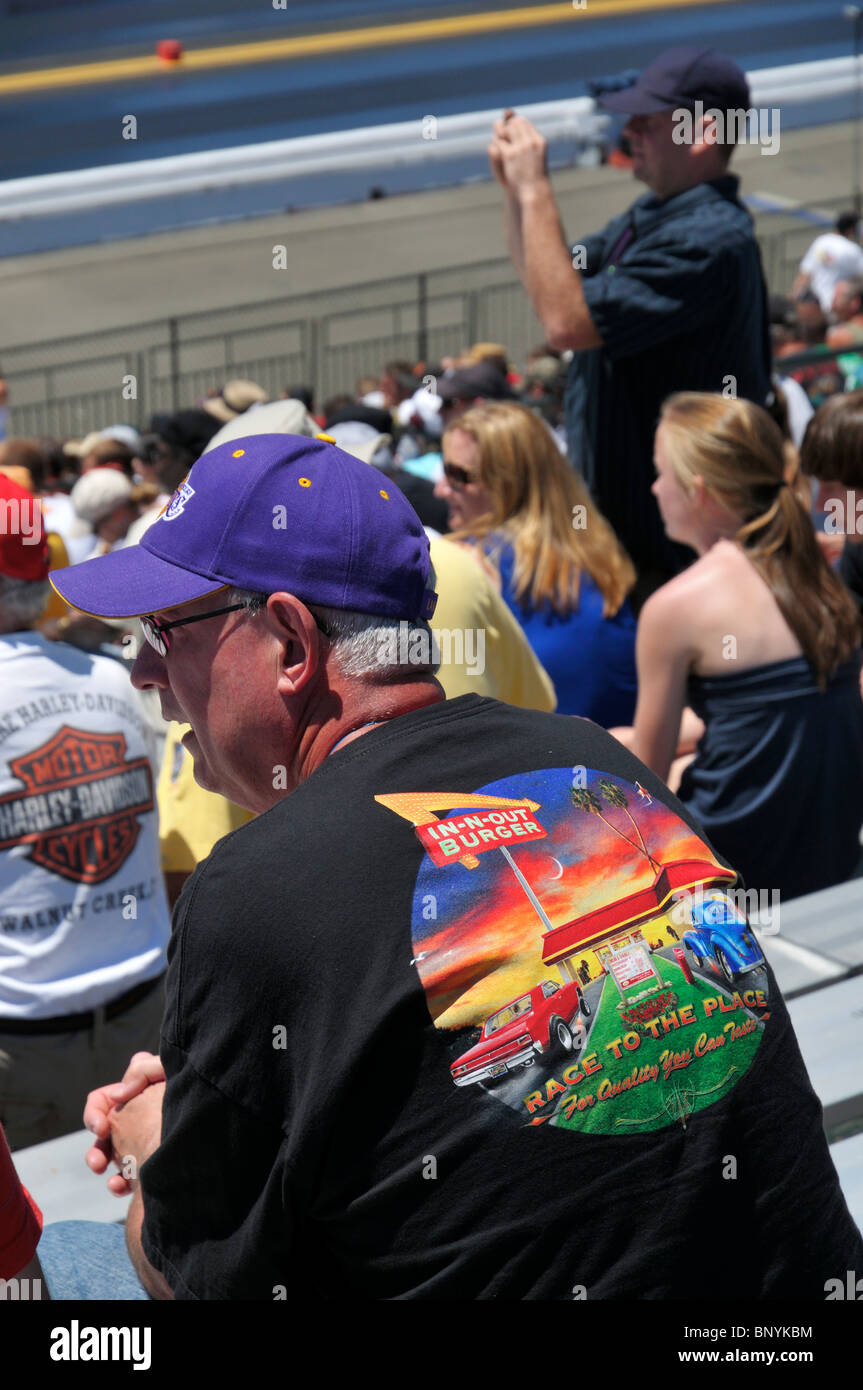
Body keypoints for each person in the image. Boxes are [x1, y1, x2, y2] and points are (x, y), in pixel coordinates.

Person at [46, 432, 863, 1300]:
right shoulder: (594, 761)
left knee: (65, 1254)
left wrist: (150, 1139)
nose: (142, 671)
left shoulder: (248, 891)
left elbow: (192, 1275)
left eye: (162, 630)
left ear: (289, 642)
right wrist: (229, 1092)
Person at [490, 46, 772, 597]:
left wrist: (536, 188)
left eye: (648, 121)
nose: (629, 133)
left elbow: (566, 323)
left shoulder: (709, 239)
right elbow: (553, 282)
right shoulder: (656, 215)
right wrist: (514, 192)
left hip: (670, 557)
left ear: (702, 133)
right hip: (635, 542)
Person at [621, 392, 863, 900]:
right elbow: (771, 719)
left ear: (698, 491)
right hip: (834, 858)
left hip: (730, 871)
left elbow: (648, 787)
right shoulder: (820, 575)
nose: (654, 487)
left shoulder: (673, 608)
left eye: (661, 472)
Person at [0, 471, 170, 1150]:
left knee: (35, 1219)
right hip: (145, 1022)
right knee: (143, 1206)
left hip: (25, 1049)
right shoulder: (116, 679)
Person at [435, 401, 637, 724]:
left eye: (457, 475)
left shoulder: (465, 561)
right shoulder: (601, 552)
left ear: (508, 483)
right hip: (623, 750)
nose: (440, 489)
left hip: (543, 751)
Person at [793, 210, 863, 313]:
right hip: (838, 306)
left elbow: (805, 274)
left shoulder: (821, 242)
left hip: (816, 305)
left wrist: (794, 297)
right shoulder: (853, 250)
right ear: (851, 229)